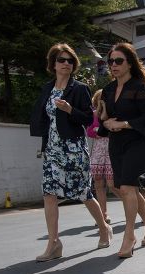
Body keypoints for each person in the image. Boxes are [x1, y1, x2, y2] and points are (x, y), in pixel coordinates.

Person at [29, 43, 112, 262]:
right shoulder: (47, 89)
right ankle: (54, 243)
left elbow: (87, 118)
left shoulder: (79, 88)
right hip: (53, 149)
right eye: (61, 60)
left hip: (73, 149)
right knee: (49, 193)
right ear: (53, 64)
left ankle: (104, 228)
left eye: (70, 61)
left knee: (83, 193)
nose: (66, 64)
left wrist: (69, 110)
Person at [97, 42, 145, 258]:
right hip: (116, 143)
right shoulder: (108, 89)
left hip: (136, 142)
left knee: (129, 188)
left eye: (118, 61)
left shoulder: (139, 86)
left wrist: (122, 124)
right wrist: (105, 121)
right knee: (125, 189)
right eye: (110, 61)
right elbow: (105, 119)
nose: (113, 65)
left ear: (129, 63)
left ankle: (129, 235)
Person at [88, 89, 119, 225]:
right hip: (98, 152)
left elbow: (113, 130)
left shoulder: (114, 114)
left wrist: (100, 131)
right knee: (98, 183)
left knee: (113, 185)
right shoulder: (93, 114)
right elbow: (89, 131)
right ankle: (103, 215)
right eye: (100, 100)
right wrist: (100, 131)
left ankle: (135, 206)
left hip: (112, 150)